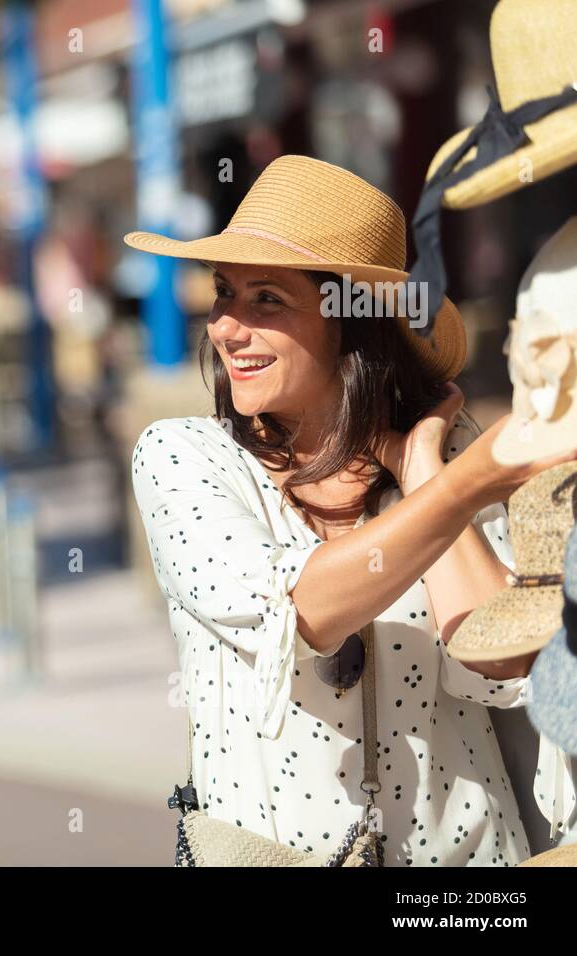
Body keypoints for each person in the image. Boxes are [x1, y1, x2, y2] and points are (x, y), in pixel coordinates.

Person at [126, 154, 577, 865]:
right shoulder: (182, 457)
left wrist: (425, 468)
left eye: (266, 299)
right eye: (223, 293)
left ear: (353, 324)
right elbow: (302, 610)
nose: (225, 329)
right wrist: (464, 487)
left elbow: (504, 660)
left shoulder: (446, 456)